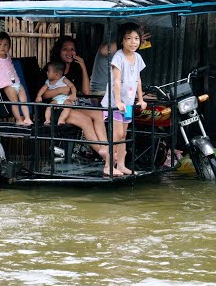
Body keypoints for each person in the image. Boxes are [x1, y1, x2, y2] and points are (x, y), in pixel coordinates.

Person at [39, 36, 110, 175]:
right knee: (86, 120)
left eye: (72, 49)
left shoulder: (75, 68)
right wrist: (60, 90)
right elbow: (42, 95)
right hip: (53, 109)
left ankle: (106, 148)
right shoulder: (51, 68)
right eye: (65, 49)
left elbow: (86, 92)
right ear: (59, 51)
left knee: (97, 114)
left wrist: (83, 66)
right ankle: (106, 157)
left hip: (70, 107)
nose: (69, 52)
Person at [101, 22, 147, 176]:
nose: (133, 42)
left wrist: (140, 99)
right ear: (122, 40)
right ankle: (108, 165)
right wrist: (118, 101)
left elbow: (138, 79)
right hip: (115, 102)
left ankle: (121, 165)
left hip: (128, 103)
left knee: (124, 135)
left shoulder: (138, 57)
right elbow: (116, 81)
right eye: (129, 38)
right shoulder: (118, 57)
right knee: (116, 135)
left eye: (136, 38)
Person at [35, 61, 77, 125]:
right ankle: (47, 119)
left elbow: (72, 86)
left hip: (65, 98)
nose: (47, 72)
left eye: (49, 71)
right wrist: (39, 96)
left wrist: (74, 94)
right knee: (49, 107)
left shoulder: (63, 79)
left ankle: (62, 119)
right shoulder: (48, 82)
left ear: (56, 74)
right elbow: (43, 89)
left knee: (68, 105)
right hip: (56, 99)